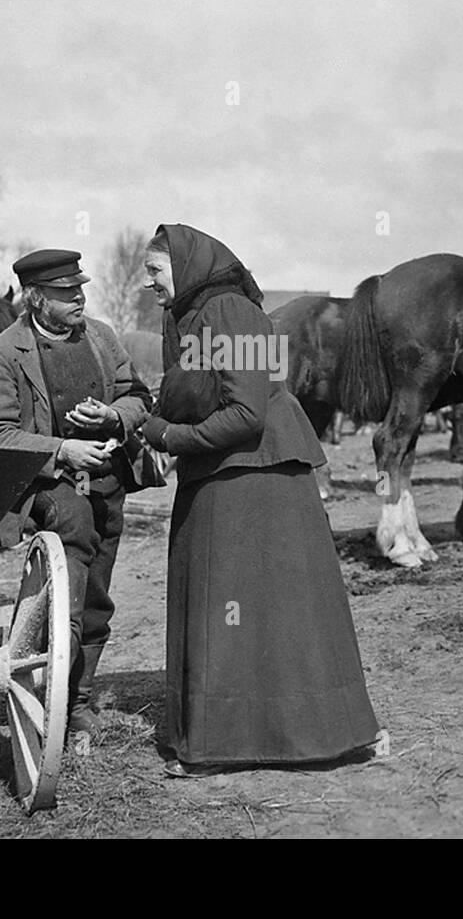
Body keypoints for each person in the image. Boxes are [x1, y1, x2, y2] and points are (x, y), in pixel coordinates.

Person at [140, 223, 379, 776]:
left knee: (269, 615)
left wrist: (169, 438)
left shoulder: (229, 312)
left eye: (154, 271)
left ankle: (291, 736)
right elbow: (196, 398)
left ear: (187, 266)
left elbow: (247, 414)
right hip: (224, 478)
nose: (149, 284)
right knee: (237, 613)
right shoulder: (188, 318)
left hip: (257, 480)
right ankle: (229, 737)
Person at [0, 249, 153, 735]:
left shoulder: (101, 337)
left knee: (97, 597)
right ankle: (57, 708)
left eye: (79, 288)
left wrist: (114, 416)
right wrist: (63, 449)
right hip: (50, 490)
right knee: (69, 596)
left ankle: (82, 699)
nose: (78, 297)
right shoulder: (2, 354)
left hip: (108, 484)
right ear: (34, 299)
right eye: (64, 292)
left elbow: (138, 395)